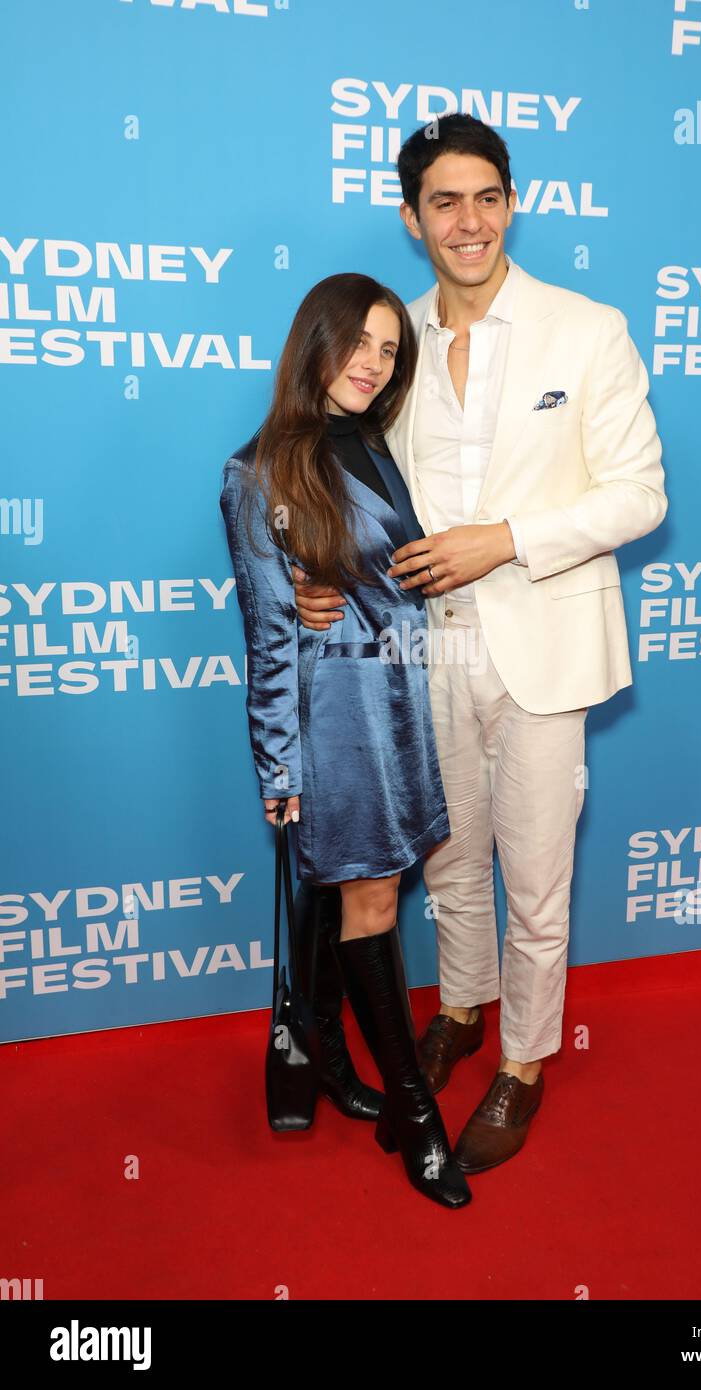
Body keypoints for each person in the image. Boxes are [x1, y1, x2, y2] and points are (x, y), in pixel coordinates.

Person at [292, 114, 668, 1175]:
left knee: (536, 871)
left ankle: (526, 1056)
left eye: (486, 197)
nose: (469, 220)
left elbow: (639, 494)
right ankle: (461, 1002)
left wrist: (503, 541)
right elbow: (346, 486)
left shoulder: (584, 329)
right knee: (450, 861)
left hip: (544, 645)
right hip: (423, 654)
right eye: (444, 202)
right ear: (411, 219)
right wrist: (322, 579)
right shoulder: (389, 341)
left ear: (512, 203)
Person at [219, 272, 471, 1209]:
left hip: (399, 710)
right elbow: (267, 636)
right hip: (333, 727)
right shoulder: (256, 475)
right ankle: (420, 1124)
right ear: (313, 343)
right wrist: (279, 764)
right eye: (357, 343)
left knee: (348, 895)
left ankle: (327, 1057)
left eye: (388, 350)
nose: (372, 364)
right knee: (368, 900)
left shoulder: (371, 444)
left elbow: (384, 577)